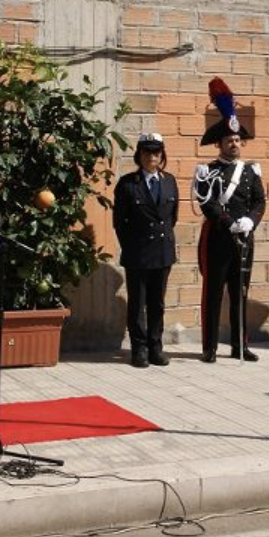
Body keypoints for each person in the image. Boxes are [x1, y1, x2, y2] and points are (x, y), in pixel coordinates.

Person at [194, 78, 266, 363]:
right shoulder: (207, 171)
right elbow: (207, 203)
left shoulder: (251, 172)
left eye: (238, 140)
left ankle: (240, 345)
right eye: (229, 141)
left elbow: (260, 201)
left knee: (241, 293)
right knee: (213, 295)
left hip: (245, 239)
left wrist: (250, 221)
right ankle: (209, 348)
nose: (235, 144)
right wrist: (228, 222)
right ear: (220, 144)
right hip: (218, 239)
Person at [113, 133, 179, 369]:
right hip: (138, 253)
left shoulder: (169, 181)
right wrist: (132, 246)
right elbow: (119, 223)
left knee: (157, 303)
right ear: (139, 156)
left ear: (162, 155)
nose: (152, 156)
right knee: (137, 302)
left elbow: (172, 217)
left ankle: (155, 347)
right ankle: (139, 349)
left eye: (157, 152)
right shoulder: (128, 184)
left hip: (162, 252)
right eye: (147, 152)